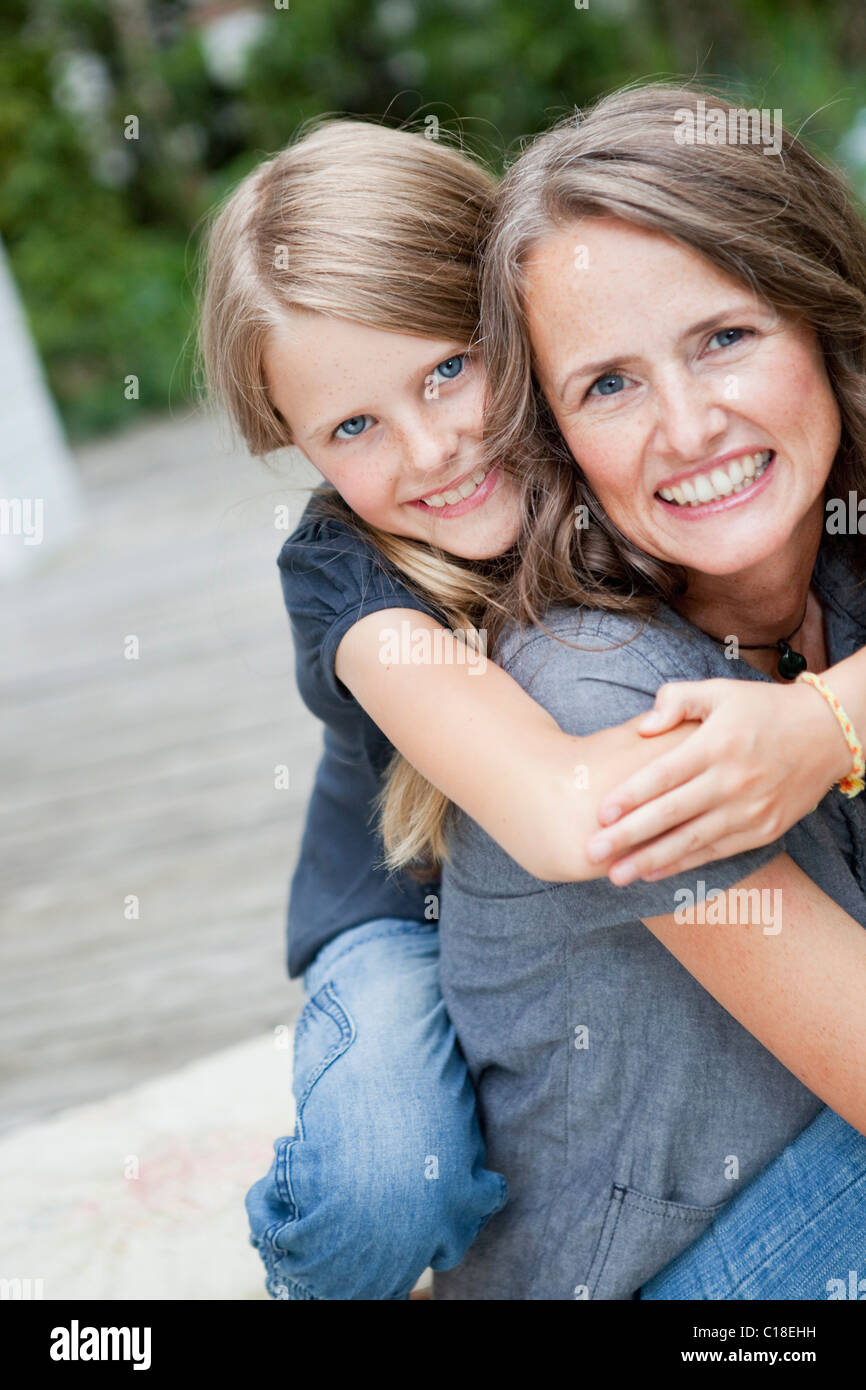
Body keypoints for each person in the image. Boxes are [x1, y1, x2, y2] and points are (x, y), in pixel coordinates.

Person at [197, 109, 866, 1302]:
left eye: (452, 368)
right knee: (381, 1171)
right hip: (389, 907)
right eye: (352, 427)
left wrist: (825, 720)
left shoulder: (721, 528)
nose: (433, 448)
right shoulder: (375, 587)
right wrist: (818, 729)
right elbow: (575, 815)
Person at [429, 83, 866, 1301]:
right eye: (607, 385)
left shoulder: (838, 561)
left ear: (817, 315)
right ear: (554, 435)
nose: (687, 424)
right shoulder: (595, 691)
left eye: (724, 337)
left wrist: (831, 719)